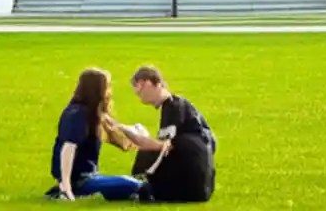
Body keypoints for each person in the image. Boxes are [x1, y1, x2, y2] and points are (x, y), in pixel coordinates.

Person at [113, 65, 216, 203]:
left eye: (140, 88)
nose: (139, 95)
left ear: (149, 82)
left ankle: (139, 183)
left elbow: (161, 147)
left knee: (147, 150)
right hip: (202, 188)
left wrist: (126, 131)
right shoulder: (181, 106)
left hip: (188, 187)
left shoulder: (172, 107)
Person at [46, 68, 144, 201]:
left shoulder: (90, 112)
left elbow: (116, 130)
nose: (109, 92)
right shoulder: (78, 115)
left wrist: (137, 132)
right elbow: (68, 148)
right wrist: (66, 187)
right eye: (107, 86)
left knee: (132, 182)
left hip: (89, 177)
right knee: (136, 186)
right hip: (81, 181)